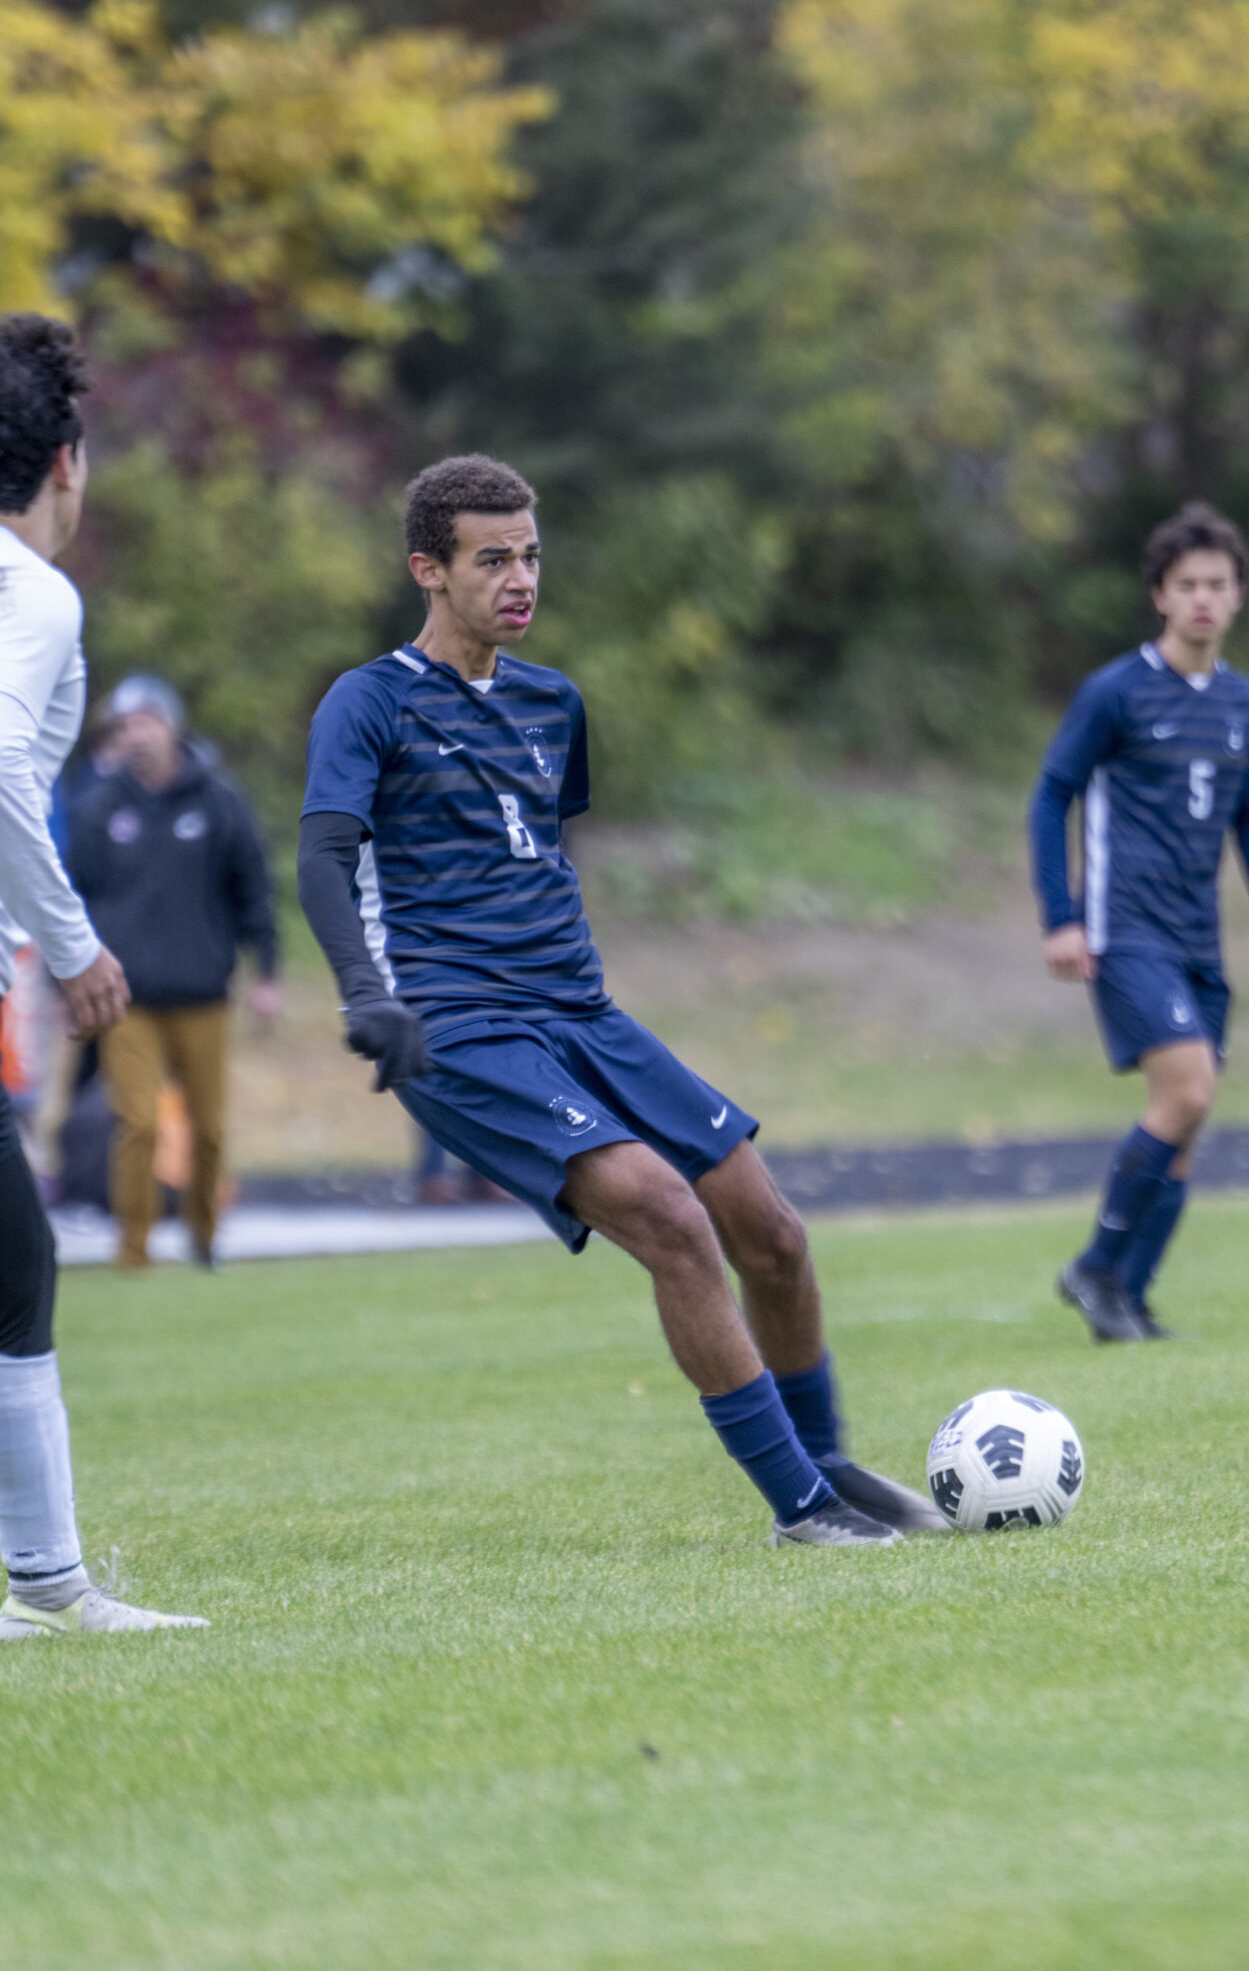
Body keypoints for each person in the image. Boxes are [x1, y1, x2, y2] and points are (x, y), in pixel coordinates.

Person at [297, 452, 939, 1547]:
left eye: (531, 555)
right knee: (671, 1219)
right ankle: (802, 1507)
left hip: (582, 1014)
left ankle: (830, 1459)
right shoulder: (368, 704)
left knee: (770, 1229)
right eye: (491, 558)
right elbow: (322, 854)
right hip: (457, 1027)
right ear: (427, 570)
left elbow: (533, 851)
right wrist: (367, 991)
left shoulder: (554, 703)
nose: (520, 578)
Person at [0, 312, 205, 1637]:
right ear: (68, 463)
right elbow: (2, 770)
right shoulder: (35, 593)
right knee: (17, 1266)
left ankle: (46, 1581)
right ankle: (52, 1582)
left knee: (15, 1259)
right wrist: (74, 951)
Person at [1029, 500, 1249, 1341]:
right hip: (1125, 929)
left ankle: (1126, 1296)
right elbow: (1052, 794)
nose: (1202, 598)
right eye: (1186, 583)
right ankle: (1091, 1267)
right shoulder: (1115, 693)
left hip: (1199, 937)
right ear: (1159, 594)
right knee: (1187, 1090)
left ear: (1237, 597)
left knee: (1187, 1125)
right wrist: (1060, 916)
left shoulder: (1240, 701)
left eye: (1217, 584)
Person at [68, 673, 278, 1269]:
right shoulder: (100, 805)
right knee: (135, 1122)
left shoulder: (217, 799)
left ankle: (204, 1237)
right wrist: (70, 976)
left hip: (202, 992)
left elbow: (253, 889)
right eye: (124, 726)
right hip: (125, 995)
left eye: (144, 723)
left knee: (207, 1128)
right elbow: (70, 894)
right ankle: (133, 1249)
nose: (134, 736)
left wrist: (266, 972)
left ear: (170, 726)